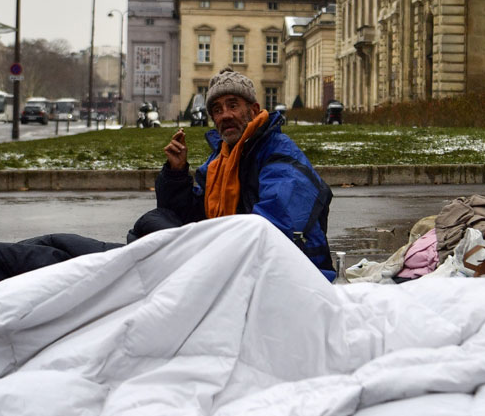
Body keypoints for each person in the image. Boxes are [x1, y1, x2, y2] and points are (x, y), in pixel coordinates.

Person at [128, 67, 335, 280]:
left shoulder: (280, 154)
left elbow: (268, 231)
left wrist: (206, 254)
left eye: (233, 105)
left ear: (254, 110)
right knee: (150, 227)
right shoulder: (221, 159)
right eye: (217, 110)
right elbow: (190, 216)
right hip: (238, 264)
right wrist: (176, 173)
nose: (225, 115)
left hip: (292, 277)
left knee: (149, 244)